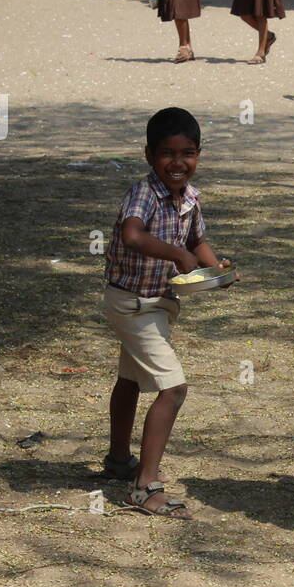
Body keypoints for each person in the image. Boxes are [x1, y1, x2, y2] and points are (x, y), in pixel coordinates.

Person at [103, 108, 233, 518]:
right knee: (173, 388)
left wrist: (215, 269)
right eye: (167, 154)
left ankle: (119, 459)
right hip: (131, 302)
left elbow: (198, 241)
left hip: (158, 304)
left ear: (199, 155)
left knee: (129, 378)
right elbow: (133, 234)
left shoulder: (191, 199)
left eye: (188, 153)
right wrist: (175, 253)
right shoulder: (143, 194)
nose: (178, 163)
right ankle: (145, 485)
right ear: (148, 155)